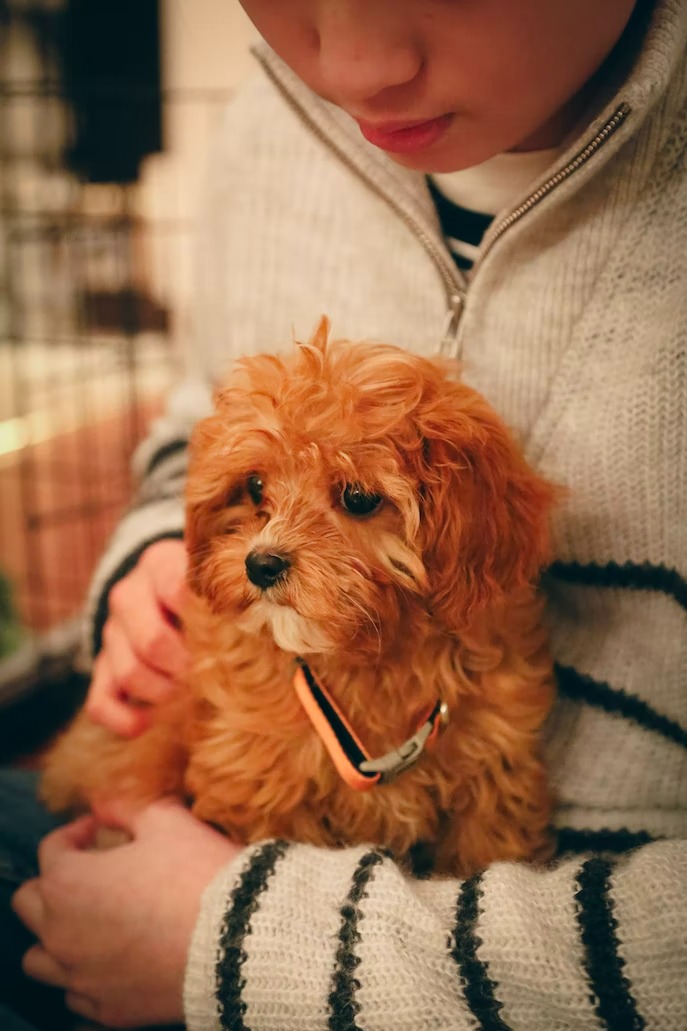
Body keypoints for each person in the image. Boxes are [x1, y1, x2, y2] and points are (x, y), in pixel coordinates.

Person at [4, 0, 686, 1027]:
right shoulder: (267, 118)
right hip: (178, 846)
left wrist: (242, 943)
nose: (359, 66)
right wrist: (157, 548)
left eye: (359, 498)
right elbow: (204, 428)